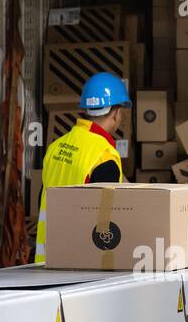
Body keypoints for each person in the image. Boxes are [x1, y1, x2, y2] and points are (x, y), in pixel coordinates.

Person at [34, 71, 129, 265]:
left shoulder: (56, 146)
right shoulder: (104, 155)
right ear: (117, 112)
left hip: (47, 261)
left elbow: (41, 200)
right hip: (82, 265)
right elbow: (106, 220)